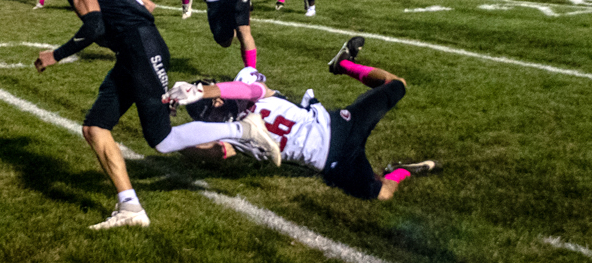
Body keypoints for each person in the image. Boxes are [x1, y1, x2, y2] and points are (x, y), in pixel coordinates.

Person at [30, 0, 280, 229]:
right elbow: (145, 5)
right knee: (95, 128)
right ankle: (130, 208)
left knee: (161, 140)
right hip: (135, 50)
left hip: (140, 50)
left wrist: (56, 55)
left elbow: (94, 25)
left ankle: (243, 130)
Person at [164, 36, 439, 201]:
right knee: (383, 193)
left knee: (397, 85)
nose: (218, 97)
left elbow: (250, 90)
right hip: (333, 161)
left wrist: (201, 94)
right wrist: (167, 135)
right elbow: (209, 152)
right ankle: (400, 171)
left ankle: (343, 64)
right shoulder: (232, 134)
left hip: (340, 123)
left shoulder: (246, 89)